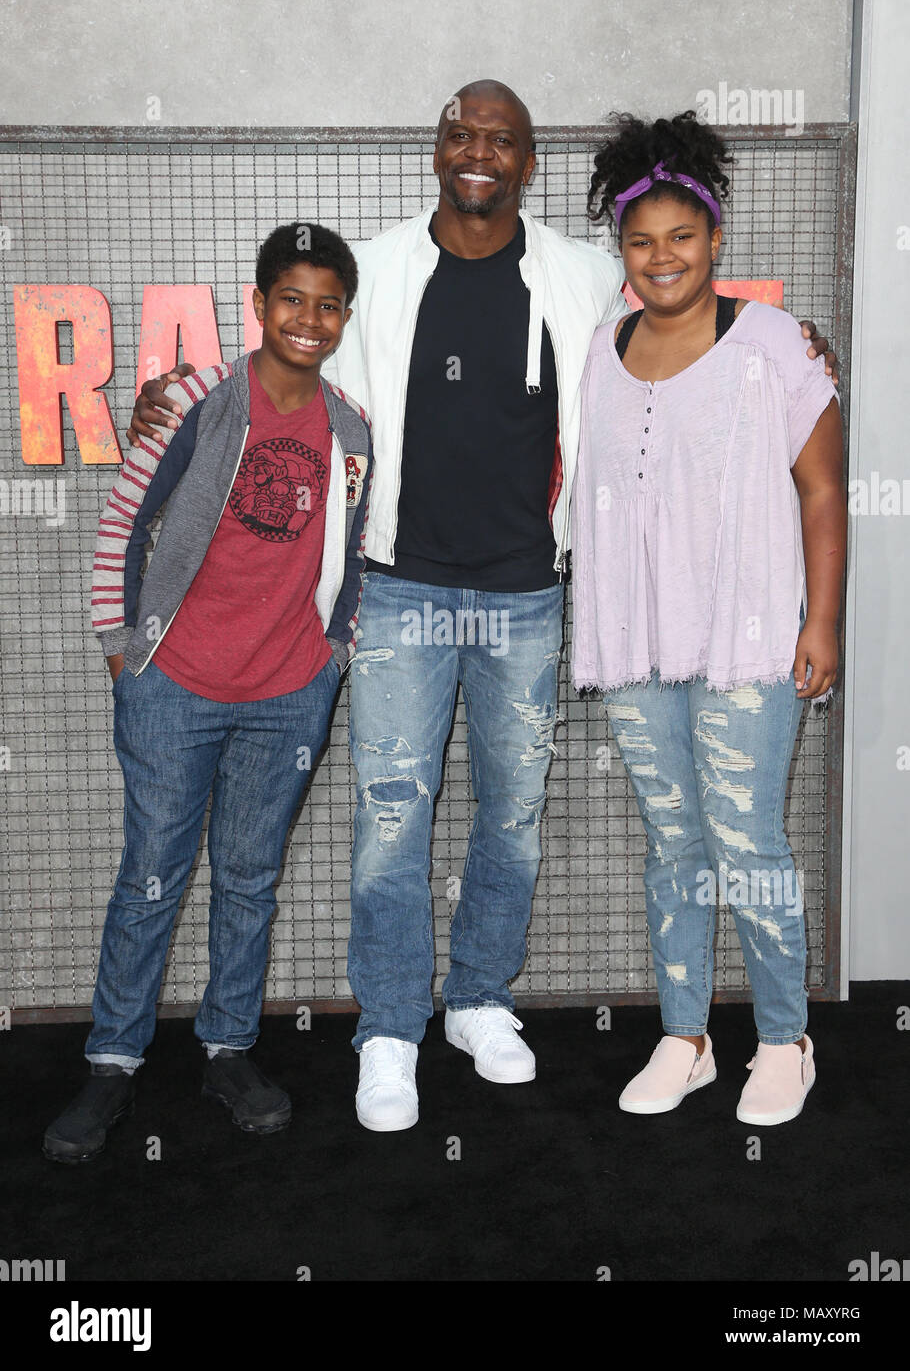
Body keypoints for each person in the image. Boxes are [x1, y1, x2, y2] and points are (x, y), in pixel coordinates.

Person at [127, 81, 838, 1134]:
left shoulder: (586, 277)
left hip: (527, 595)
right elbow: (293, 357)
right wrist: (178, 396)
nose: (477, 151)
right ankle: (387, 1030)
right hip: (404, 585)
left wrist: (796, 339)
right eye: (460, 132)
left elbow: (721, 340)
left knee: (513, 818)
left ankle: (481, 1001)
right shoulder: (375, 268)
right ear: (435, 150)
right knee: (391, 816)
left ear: (527, 163)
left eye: (500, 138)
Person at [43, 223, 373, 1162]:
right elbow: (123, 529)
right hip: (173, 688)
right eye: (291, 299)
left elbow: (350, 561)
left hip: (287, 695)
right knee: (150, 879)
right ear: (259, 302)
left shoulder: (350, 429)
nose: (307, 319)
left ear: (344, 317)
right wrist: (124, 656)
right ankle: (112, 1061)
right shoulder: (193, 401)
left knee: (249, 879)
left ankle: (228, 1048)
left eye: (327, 303)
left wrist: (332, 655)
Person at [571, 112, 847, 1125]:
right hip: (638, 640)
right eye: (641, 241)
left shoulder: (773, 342)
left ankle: (784, 1038)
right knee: (672, 842)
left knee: (749, 842)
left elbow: (821, 489)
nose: (662, 258)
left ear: (715, 237)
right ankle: (684, 1036)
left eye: (681, 237)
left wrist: (821, 624)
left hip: (750, 637)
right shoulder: (601, 349)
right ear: (622, 252)